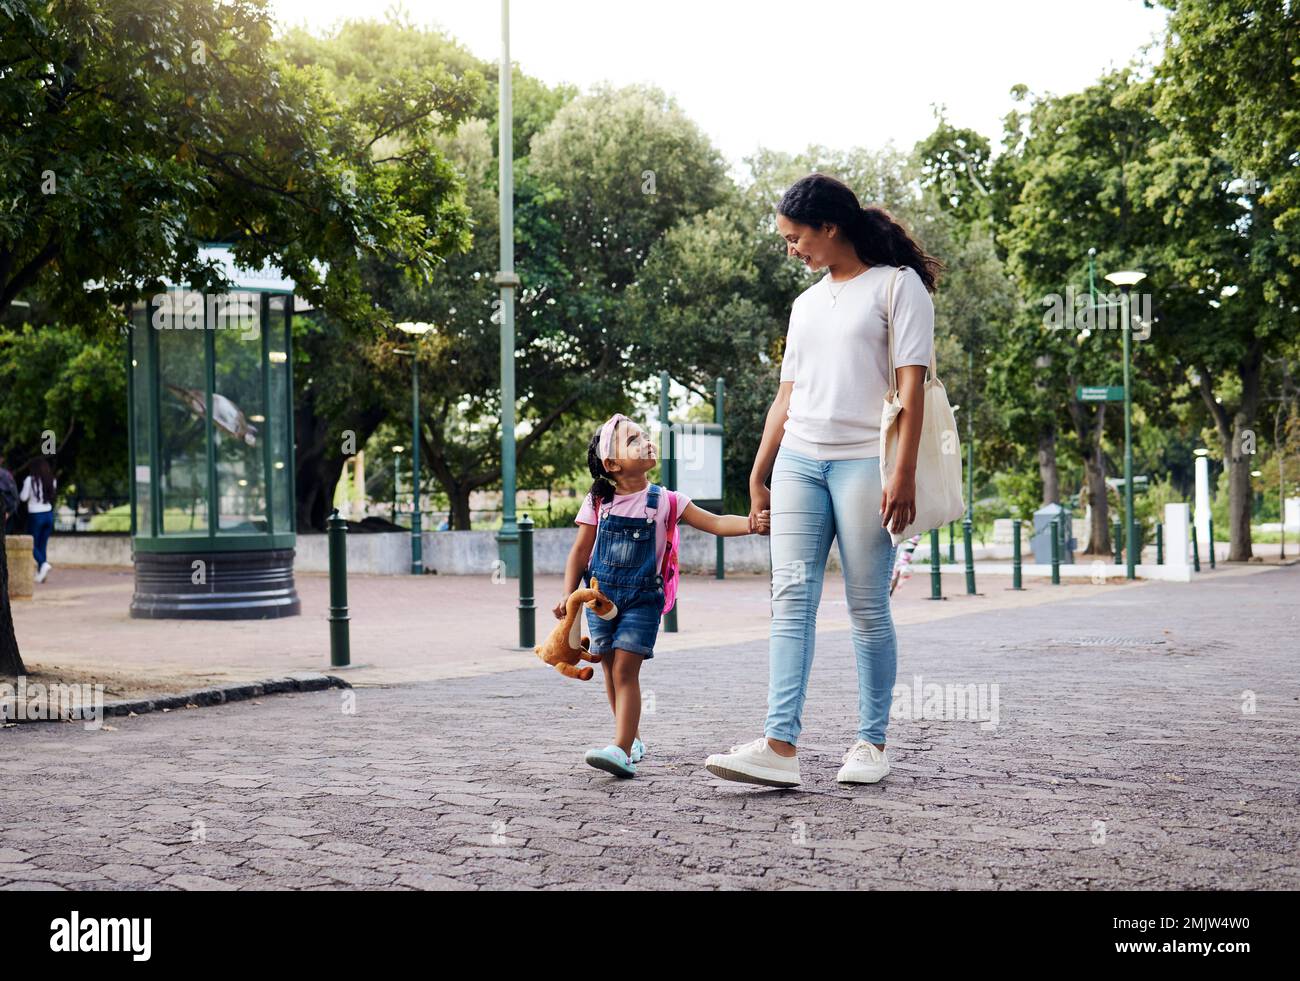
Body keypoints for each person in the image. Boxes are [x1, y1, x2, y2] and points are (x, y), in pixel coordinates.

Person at [705, 173, 940, 788]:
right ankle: (780, 747)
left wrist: (903, 473)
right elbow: (787, 395)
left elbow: (911, 391)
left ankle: (871, 742)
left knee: (866, 605)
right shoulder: (805, 304)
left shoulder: (898, 286)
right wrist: (760, 472)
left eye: (795, 237)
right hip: (799, 462)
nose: (791, 249)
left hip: (866, 461)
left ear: (829, 228)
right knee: (791, 600)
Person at [555, 412, 770, 779]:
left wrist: (750, 524)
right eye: (634, 439)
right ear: (612, 463)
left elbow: (715, 523)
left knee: (625, 668)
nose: (647, 441)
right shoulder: (598, 501)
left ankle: (620, 749)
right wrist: (568, 594)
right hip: (599, 599)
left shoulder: (667, 500)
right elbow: (580, 551)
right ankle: (631, 739)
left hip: (643, 601)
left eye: (645, 435)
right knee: (608, 665)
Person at [20, 456, 57, 583]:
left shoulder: (30, 480)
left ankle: (43, 563)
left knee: (31, 543)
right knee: (42, 544)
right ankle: (42, 574)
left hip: (36, 514)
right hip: (48, 514)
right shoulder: (52, 480)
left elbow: (23, 497)